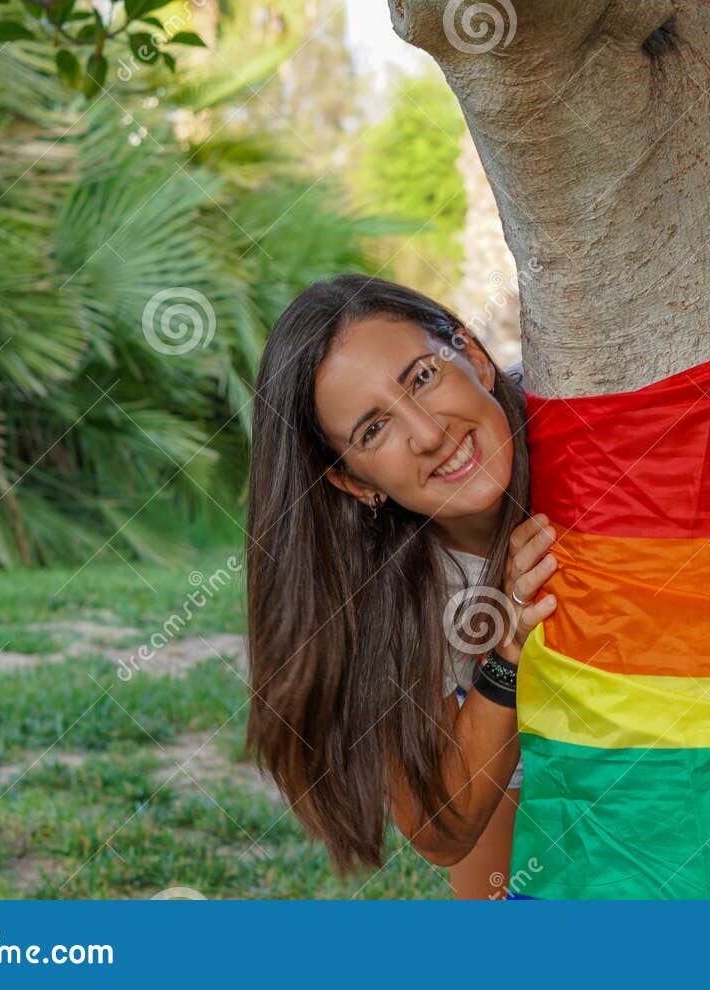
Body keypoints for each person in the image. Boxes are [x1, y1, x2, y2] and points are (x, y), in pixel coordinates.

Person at [243, 274, 557, 899]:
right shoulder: (389, 592)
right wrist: (510, 650)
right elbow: (443, 831)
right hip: (539, 786)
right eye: (372, 431)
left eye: (422, 377)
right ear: (354, 482)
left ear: (471, 356)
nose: (429, 433)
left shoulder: (585, 427)